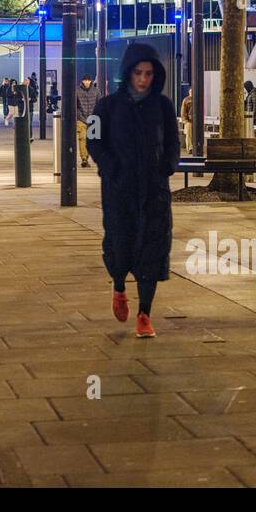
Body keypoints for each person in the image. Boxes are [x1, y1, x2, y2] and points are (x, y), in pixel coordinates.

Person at [87, 42, 180, 340]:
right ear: (128, 73)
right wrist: (110, 167)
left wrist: (167, 165)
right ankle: (118, 286)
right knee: (119, 243)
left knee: (153, 248)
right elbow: (93, 141)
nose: (143, 79)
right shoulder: (106, 106)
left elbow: (173, 144)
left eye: (149, 74)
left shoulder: (163, 106)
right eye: (138, 73)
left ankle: (145, 314)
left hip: (154, 191)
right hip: (119, 190)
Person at [75, 73, 98, 168]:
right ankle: (84, 158)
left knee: (91, 140)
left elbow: (99, 104)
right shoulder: (77, 91)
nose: (87, 82)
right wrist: (79, 116)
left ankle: (87, 157)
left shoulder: (96, 91)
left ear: (91, 81)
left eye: (88, 80)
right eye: (85, 80)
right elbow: (75, 106)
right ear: (82, 81)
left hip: (92, 119)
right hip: (81, 119)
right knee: (82, 138)